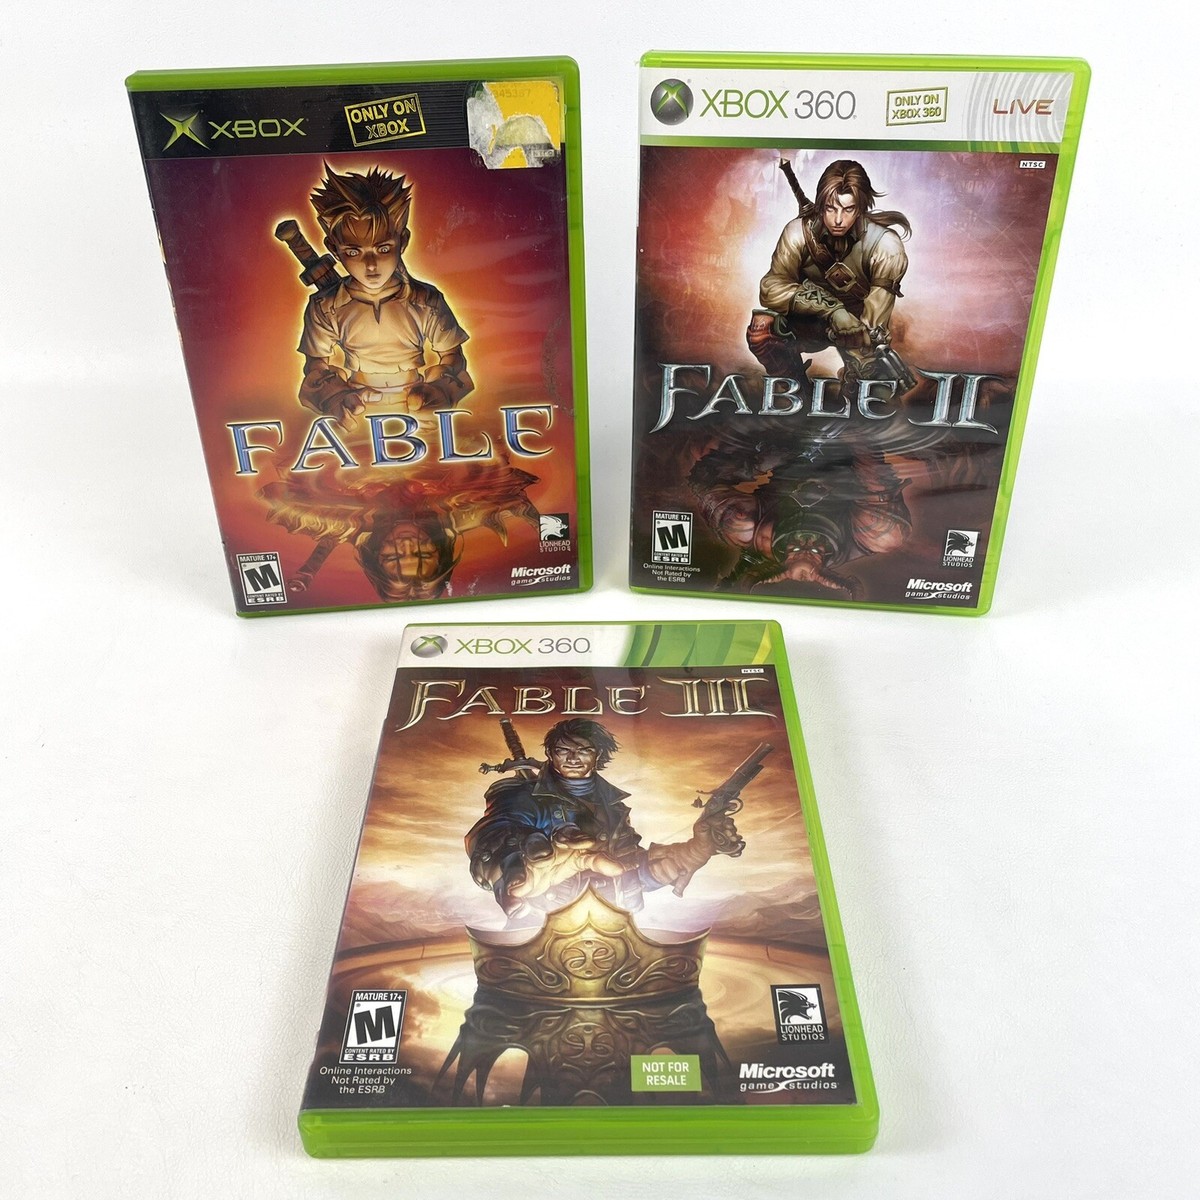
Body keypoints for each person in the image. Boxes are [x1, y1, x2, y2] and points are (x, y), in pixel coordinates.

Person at [465, 719, 735, 919]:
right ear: (550, 754)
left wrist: (690, 854)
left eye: (583, 750)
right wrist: (513, 863)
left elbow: (626, 868)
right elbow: (495, 831)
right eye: (562, 750)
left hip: (614, 932)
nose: (572, 758)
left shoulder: (613, 807)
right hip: (542, 927)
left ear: (598, 756)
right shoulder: (524, 795)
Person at [296, 164, 473, 427]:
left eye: (383, 248)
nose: (370, 266)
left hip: (419, 408)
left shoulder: (426, 300)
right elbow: (316, 366)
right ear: (334, 248)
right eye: (353, 252)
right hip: (358, 411)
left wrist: (439, 391)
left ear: (403, 240)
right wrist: (337, 397)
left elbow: (453, 357)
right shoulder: (325, 306)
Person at [747, 159, 910, 397]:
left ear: (860, 207)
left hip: (858, 327)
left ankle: (854, 391)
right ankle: (797, 394)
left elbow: (875, 316)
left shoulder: (886, 246)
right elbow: (771, 288)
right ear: (821, 204)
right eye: (831, 208)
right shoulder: (798, 233)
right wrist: (833, 311)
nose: (838, 220)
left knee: (864, 387)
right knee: (762, 329)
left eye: (848, 209)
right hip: (810, 322)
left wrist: (859, 339)